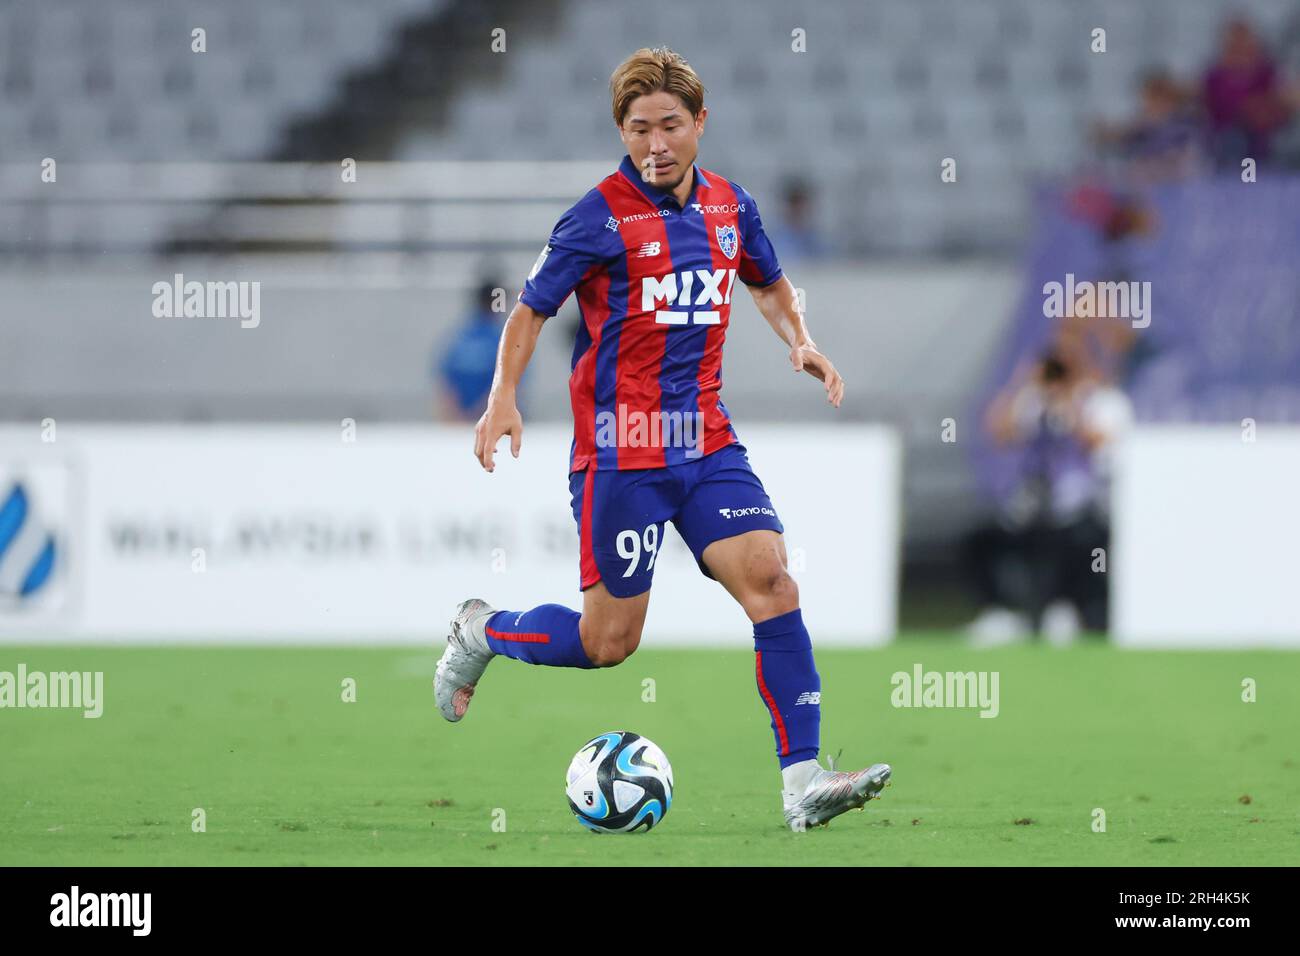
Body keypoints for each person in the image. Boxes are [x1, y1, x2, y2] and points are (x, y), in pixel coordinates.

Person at [433, 47, 889, 831]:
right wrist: (502, 397)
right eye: (639, 128)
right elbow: (530, 309)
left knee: (774, 584)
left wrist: (799, 339)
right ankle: (481, 630)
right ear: (622, 129)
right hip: (622, 448)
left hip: (707, 440)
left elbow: (767, 283)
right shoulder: (596, 216)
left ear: (700, 124)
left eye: (670, 125)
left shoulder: (730, 207)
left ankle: (804, 782)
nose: (656, 143)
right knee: (609, 642)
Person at [434, 279, 509, 422]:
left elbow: (444, 381)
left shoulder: (460, 335)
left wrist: (457, 415)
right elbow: (513, 383)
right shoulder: (503, 337)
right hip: (491, 422)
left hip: (461, 421)